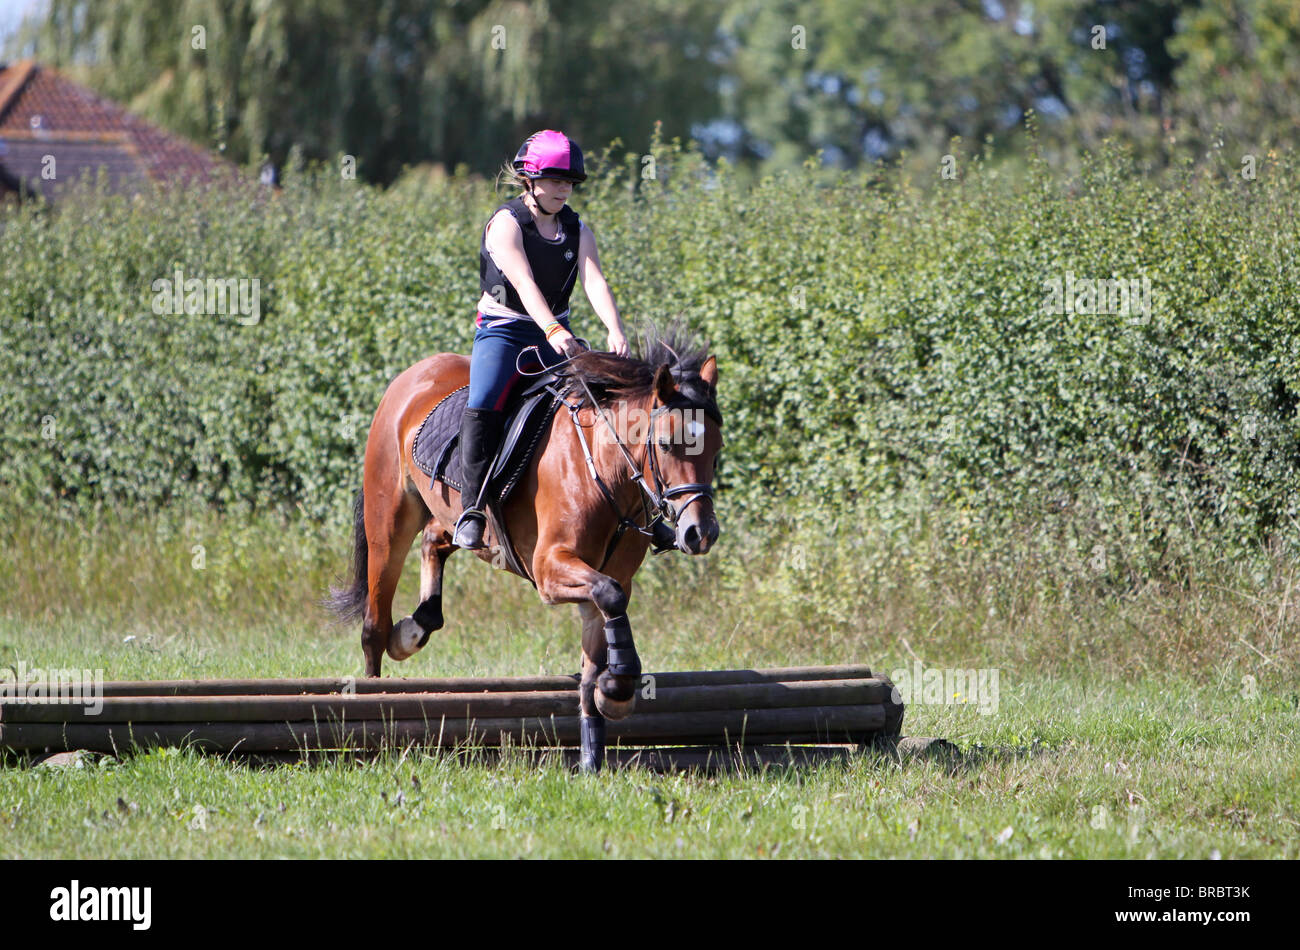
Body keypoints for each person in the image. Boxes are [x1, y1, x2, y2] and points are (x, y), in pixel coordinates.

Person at [454, 129, 631, 549]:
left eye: (569, 182)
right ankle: (472, 508)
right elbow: (524, 283)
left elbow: (595, 282)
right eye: (554, 180)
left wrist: (614, 329)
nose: (563, 189)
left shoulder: (577, 229)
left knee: (609, 396)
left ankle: (635, 504)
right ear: (529, 181)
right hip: (506, 329)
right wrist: (554, 331)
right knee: (485, 400)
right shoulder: (505, 224)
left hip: (558, 332)